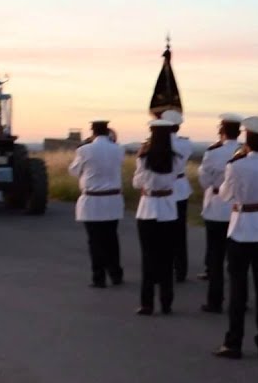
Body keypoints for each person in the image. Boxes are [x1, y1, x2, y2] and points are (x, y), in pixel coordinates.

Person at [214, 117, 258, 359]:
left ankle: (234, 342)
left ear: (247, 140)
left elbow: (225, 195)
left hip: (242, 227)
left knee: (238, 289)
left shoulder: (236, 165)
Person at [132, 119, 183, 315]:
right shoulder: (176, 158)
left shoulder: (144, 157)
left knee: (148, 258)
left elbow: (137, 183)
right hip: (168, 209)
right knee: (167, 258)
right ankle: (166, 301)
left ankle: (147, 303)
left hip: (148, 208)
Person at [69, 120, 125, 288]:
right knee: (111, 238)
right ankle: (116, 274)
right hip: (113, 200)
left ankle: (98, 277)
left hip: (92, 201)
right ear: (108, 132)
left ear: (92, 132)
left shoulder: (84, 150)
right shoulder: (118, 149)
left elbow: (74, 171)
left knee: (95, 241)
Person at [197, 113, 243, 308]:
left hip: (216, 206)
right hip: (238, 208)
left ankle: (215, 301)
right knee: (237, 261)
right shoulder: (244, 151)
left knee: (216, 258)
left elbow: (205, 180)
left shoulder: (212, 152)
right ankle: (239, 300)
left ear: (221, 131)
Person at [161, 110, 193, 282]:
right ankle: (181, 269)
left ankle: (165, 266)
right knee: (179, 232)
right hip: (180, 188)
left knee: (163, 232)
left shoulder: (157, 143)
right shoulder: (185, 144)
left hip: (164, 188)